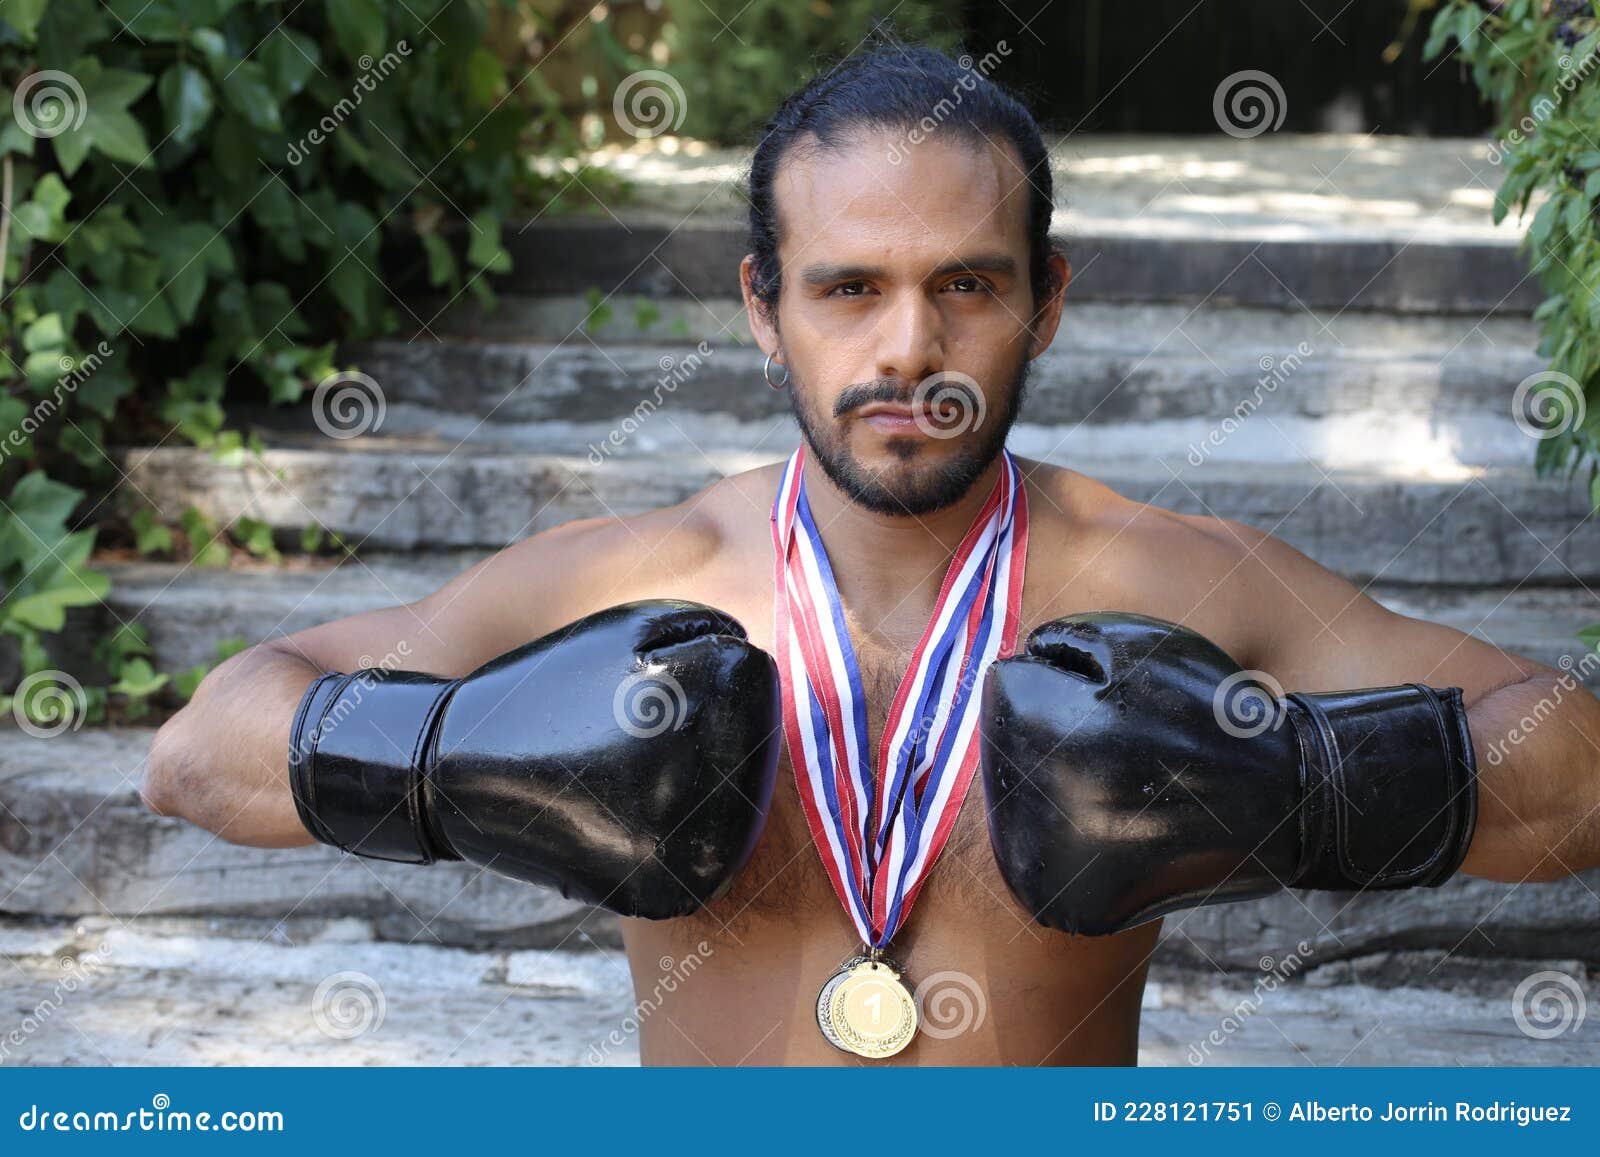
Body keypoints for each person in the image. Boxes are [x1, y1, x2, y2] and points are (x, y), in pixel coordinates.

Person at [142, 44, 1600, 1066]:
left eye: (967, 284)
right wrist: (457, 760)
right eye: (849, 288)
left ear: (1047, 303)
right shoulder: (628, 581)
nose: (909, 346)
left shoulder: (1177, 584)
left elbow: (1575, 768)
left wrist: (1296, 782)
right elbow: (199, 753)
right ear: (763, 307)